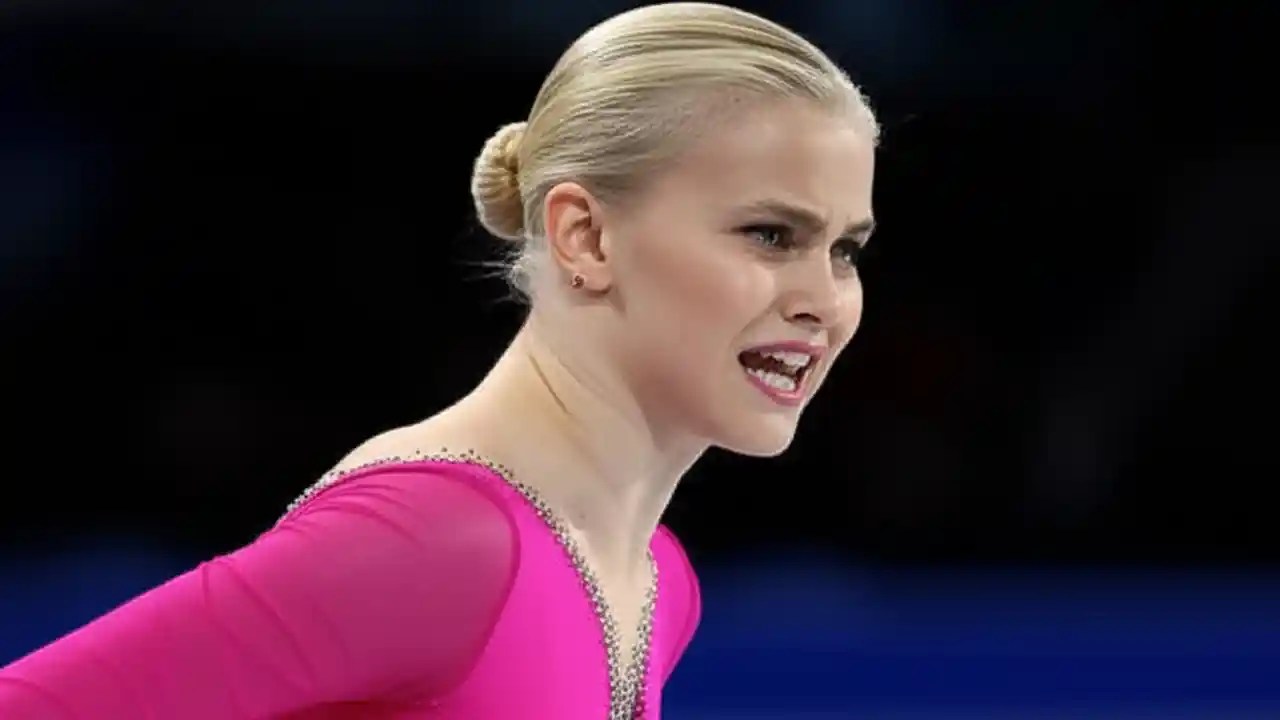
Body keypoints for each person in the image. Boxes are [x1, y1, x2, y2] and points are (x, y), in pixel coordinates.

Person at [0, 2, 878, 717]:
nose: (823, 297)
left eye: (845, 249)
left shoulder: (657, 579)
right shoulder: (440, 543)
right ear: (588, 235)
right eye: (770, 234)